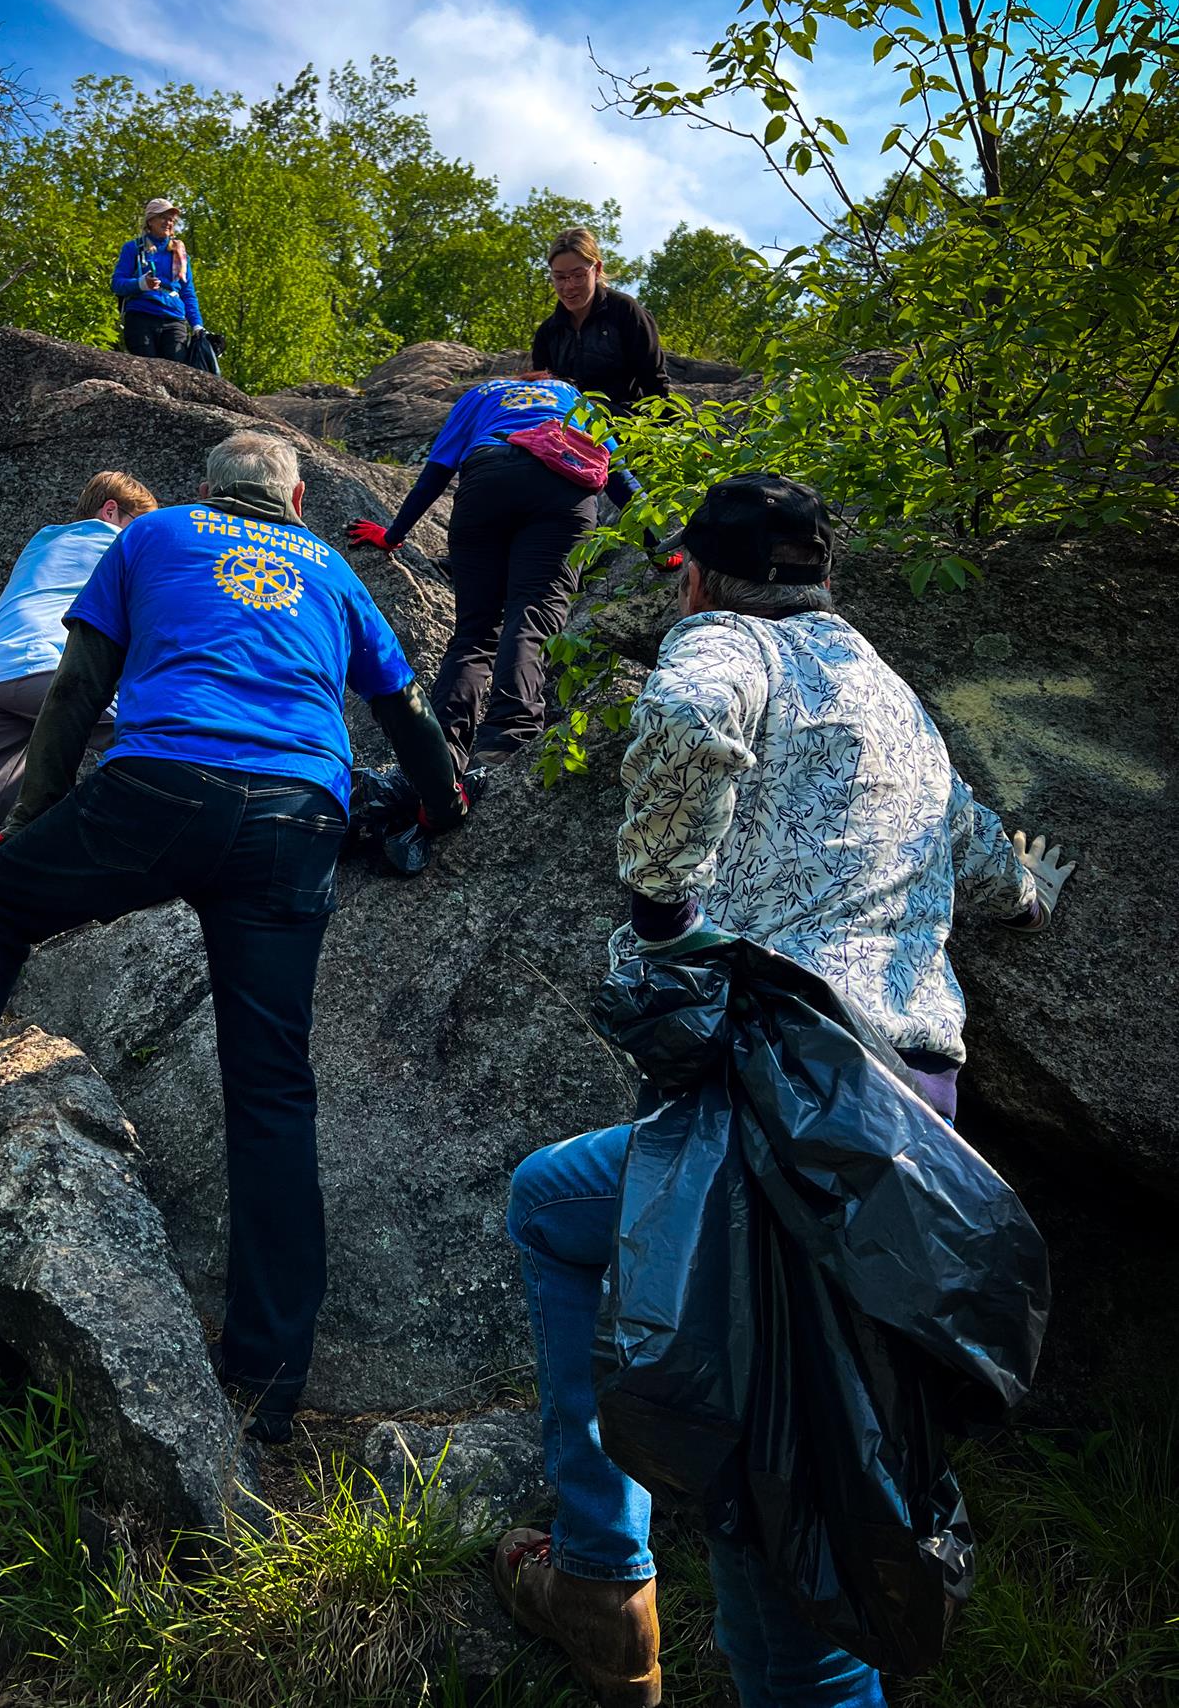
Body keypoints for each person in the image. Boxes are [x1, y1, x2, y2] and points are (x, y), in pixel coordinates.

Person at [494, 472, 1075, 1708]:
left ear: (695, 573)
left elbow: (695, 716)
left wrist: (662, 911)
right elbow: (976, 855)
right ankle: (602, 1566)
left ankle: (606, 1580)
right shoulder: (887, 693)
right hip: (909, 1125)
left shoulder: (725, 640)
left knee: (783, 1495)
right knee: (566, 1212)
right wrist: (1033, 890)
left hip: (787, 1122)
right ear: (825, 577)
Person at [0, 431, 467, 1439]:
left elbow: (80, 686)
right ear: (296, 497)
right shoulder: (334, 572)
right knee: (271, 1087)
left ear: (210, 487)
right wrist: (438, 809)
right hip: (298, 816)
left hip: (160, 788)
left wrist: (30, 830)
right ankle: (266, 1380)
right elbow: (410, 709)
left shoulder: (158, 530)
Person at [346, 375, 676, 772]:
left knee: (475, 631)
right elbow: (619, 475)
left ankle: (439, 752)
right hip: (561, 485)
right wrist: (658, 547)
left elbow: (437, 471)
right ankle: (505, 740)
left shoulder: (479, 394)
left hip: (487, 478)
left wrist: (393, 535)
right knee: (533, 615)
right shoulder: (571, 395)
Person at [0, 470, 159, 977]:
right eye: (137, 524)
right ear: (111, 512)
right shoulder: (109, 541)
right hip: (47, 671)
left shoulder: (44, 541)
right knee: (155, 747)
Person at [530, 227, 669, 416]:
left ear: (597, 269)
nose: (568, 287)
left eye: (578, 276)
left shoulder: (625, 311)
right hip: (566, 425)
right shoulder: (548, 332)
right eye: (560, 277)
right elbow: (544, 396)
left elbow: (656, 387)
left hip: (626, 426)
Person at [110, 198, 206, 362]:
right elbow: (117, 284)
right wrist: (141, 284)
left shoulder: (180, 254)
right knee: (145, 371)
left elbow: (187, 293)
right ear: (150, 221)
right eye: (163, 217)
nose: (168, 222)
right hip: (141, 316)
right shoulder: (133, 248)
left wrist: (197, 324)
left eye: (171, 219)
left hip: (174, 319)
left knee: (176, 373)